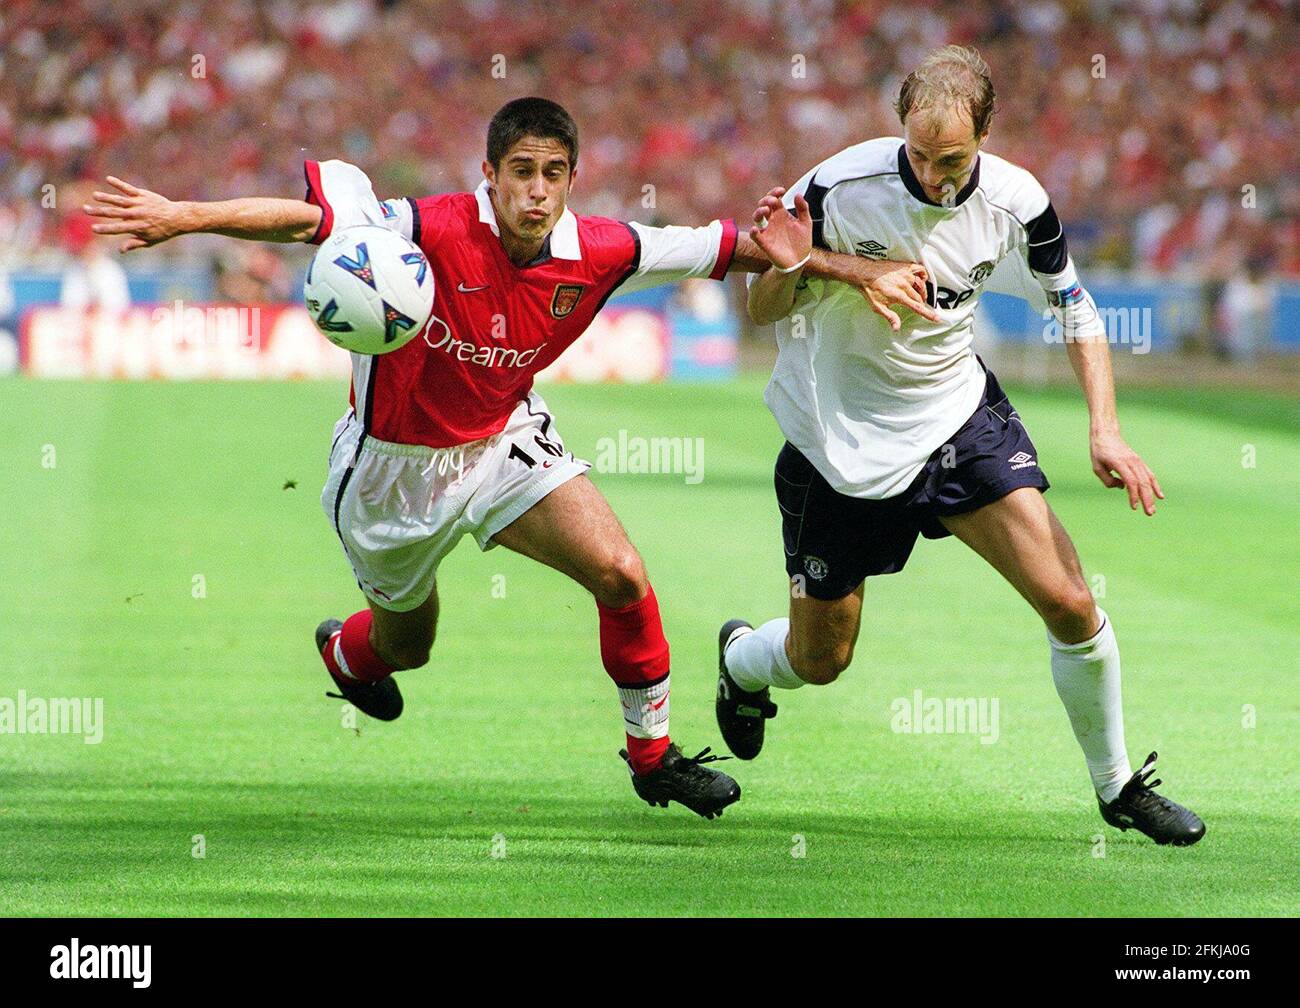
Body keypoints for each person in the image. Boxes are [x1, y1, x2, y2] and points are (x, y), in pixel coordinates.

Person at [84, 96, 927, 819]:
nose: (536, 190)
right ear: (489, 174)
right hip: (391, 472)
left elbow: (739, 249)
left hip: (502, 442)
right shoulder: (426, 228)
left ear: (571, 179)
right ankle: (348, 653)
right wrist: (184, 217)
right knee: (408, 646)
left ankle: (653, 757)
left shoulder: (601, 250)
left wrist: (856, 270)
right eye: (520, 171)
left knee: (623, 573)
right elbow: (310, 220)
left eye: (553, 173)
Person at [716, 46, 1205, 846]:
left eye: (953, 160)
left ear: (987, 133)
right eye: (919, 156)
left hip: (955, 419)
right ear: (900, 129)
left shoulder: (1020, 201)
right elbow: (763, 304)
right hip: (837, 440)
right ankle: (742, 661)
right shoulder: (839, 185)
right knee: (821, 660)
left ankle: (1118, 786)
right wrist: (824, 267)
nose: (936, 177)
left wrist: (1104, 428)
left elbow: (1075, 308)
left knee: (1071, 601)